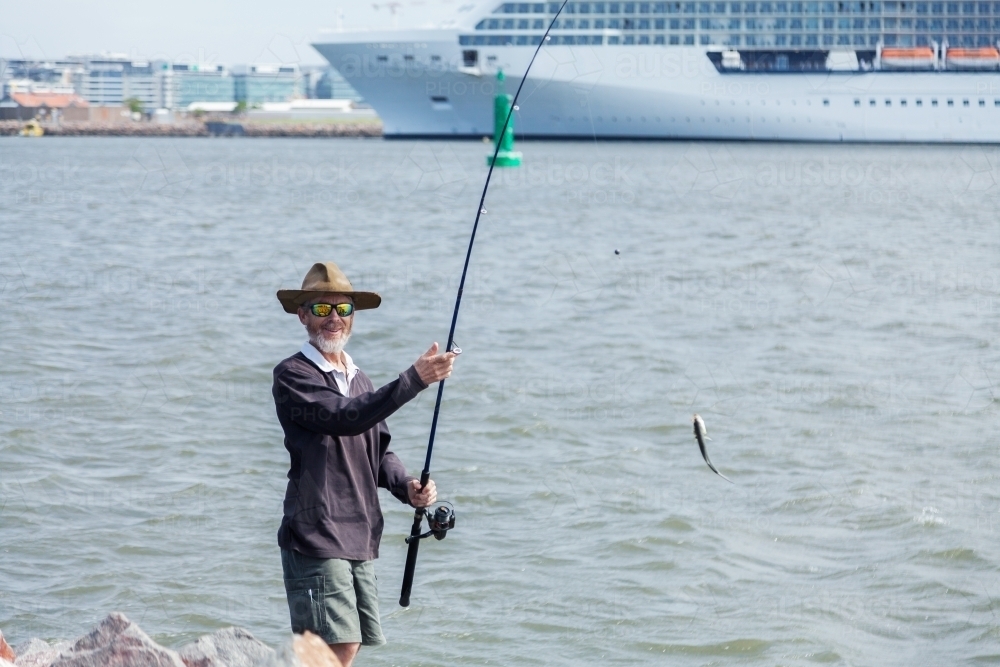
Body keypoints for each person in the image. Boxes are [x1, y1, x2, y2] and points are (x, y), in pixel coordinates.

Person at [272, 262, 457, 667]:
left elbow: (378, 450)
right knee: (331, 648)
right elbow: (344, 416)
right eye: (322, 309)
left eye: (343, 309)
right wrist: (414, 380)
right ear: (303, 315)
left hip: (360, 531)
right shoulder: (292, 375)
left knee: (348, 646)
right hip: (317, 531)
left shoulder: (361, 379)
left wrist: (405, 485)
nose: (334, 318)